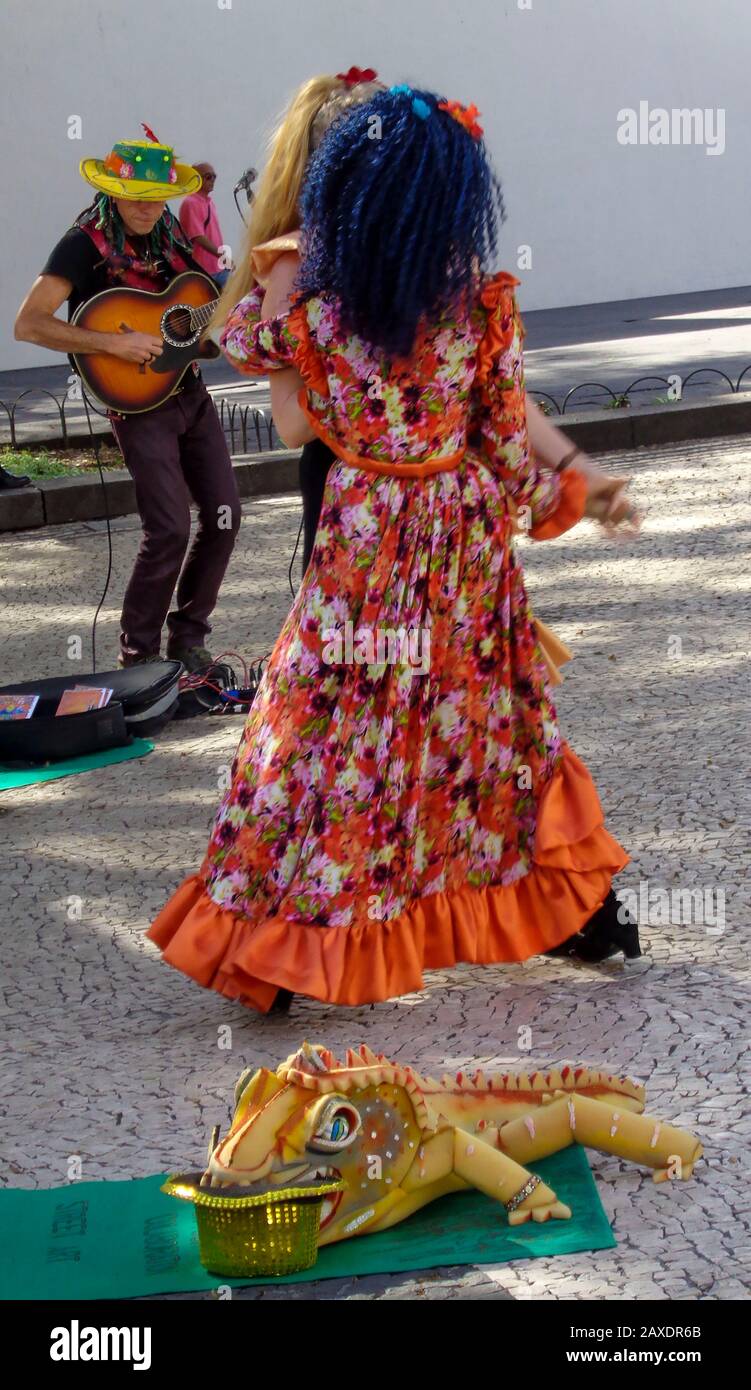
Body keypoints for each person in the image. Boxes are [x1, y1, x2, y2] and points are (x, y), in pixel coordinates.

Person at [148, 85, 643, 1015]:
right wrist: (563, 487)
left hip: (363, 529)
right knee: (487, 725)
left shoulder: (312, 304)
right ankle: (566, 911)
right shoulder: (478, 302)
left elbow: (267, 381)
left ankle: (278, 948)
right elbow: (501, 436)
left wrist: (281, 269)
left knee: (320, 731)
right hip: (461, 542)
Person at [14, 131, 241, 670]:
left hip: (187, 392)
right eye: (134, 194)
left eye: (154, 195)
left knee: (226, 515)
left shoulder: (170, 234)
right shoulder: (82, 243)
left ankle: (189, 643)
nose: (145, 207)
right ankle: (139, 659)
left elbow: (194, 319)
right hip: (137, 405)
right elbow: (29, 323)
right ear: (113, 190)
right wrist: (112, 342)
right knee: (169, 528)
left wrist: (214, 330)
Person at [180, 164, 233, 287]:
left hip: (218, 267)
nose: (212, 180)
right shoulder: (191, 202)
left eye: (214, 177)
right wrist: (223, 256)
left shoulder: (208, 202)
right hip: (204, 270)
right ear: (196, 179)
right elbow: (198, 236)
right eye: (208, 177)